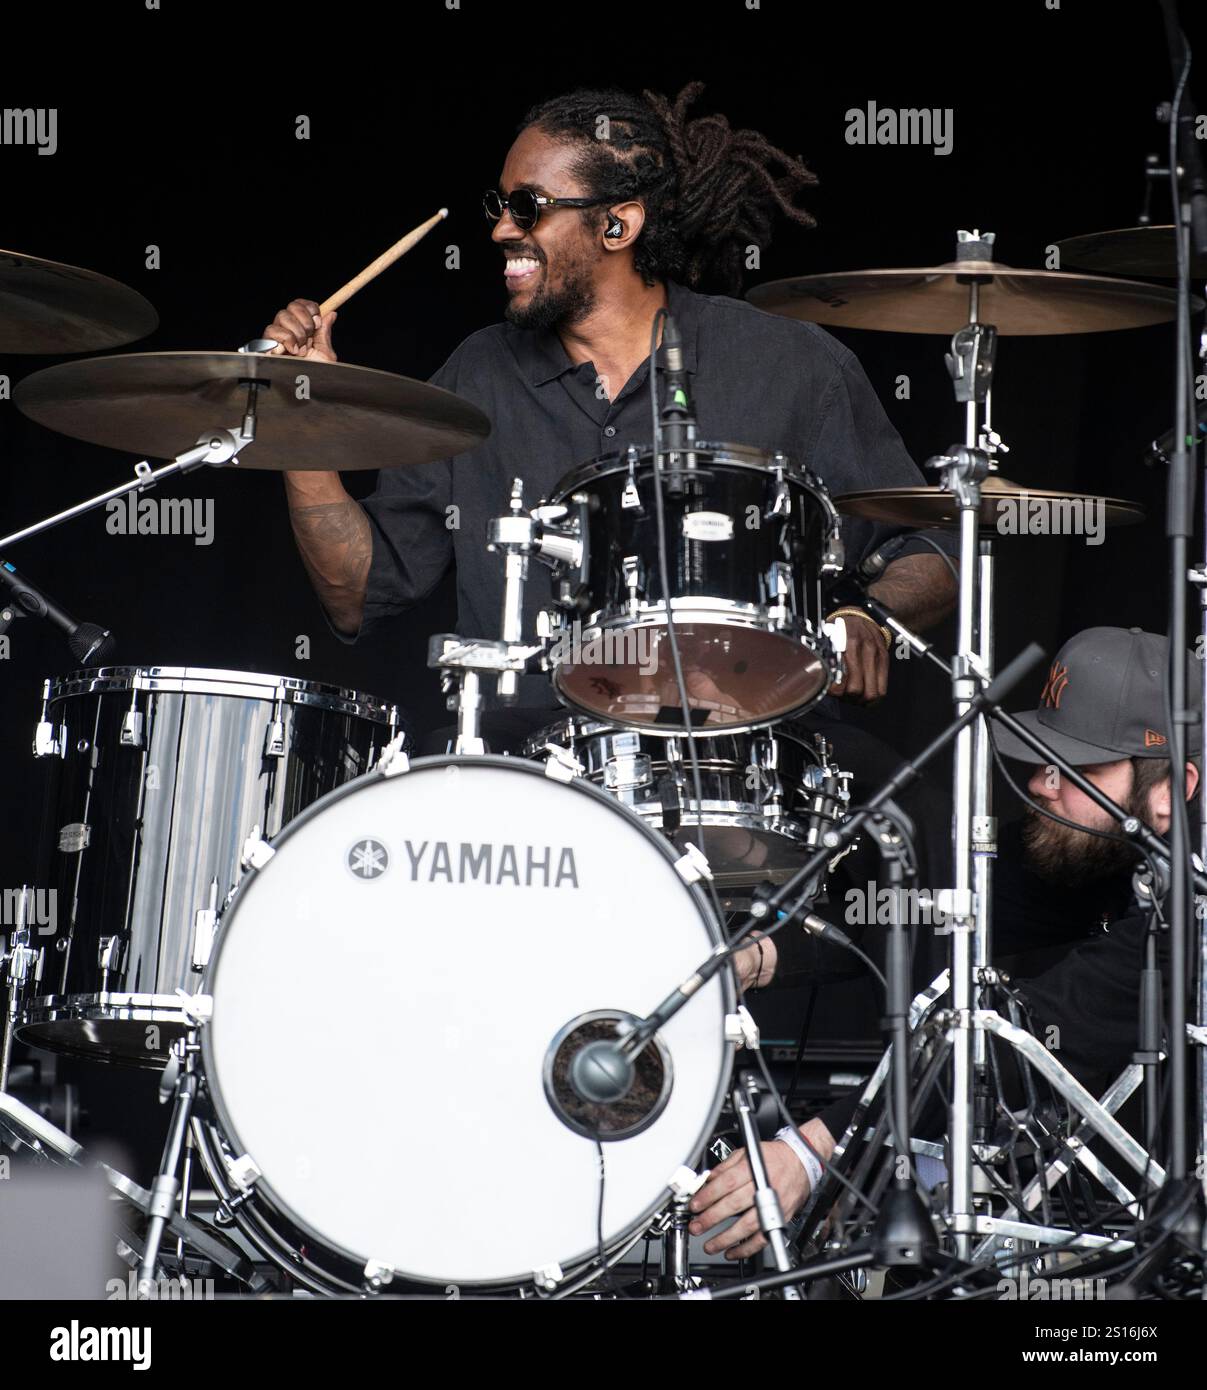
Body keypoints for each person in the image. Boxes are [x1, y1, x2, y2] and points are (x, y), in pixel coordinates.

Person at [262, 82, 957, 745]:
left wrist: (866, 613)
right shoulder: (479, 374)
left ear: (618, 223)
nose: (502, 229)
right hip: (533, 768)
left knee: (898, 810)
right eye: (498, 206)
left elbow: (935, 548)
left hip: (755, 759)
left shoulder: (790, 365)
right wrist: (302, 420)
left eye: (528, 207)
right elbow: (358, 589)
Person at [698, 627, 1201, 1260]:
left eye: (1077, 769)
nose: (1042, 784)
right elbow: (942, 907)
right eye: (1046, 760)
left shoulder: (1194, 914)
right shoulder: (1121, 850)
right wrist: (762, 956)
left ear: (1170, 790)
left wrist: (814, 1149)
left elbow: (1017, 1044)